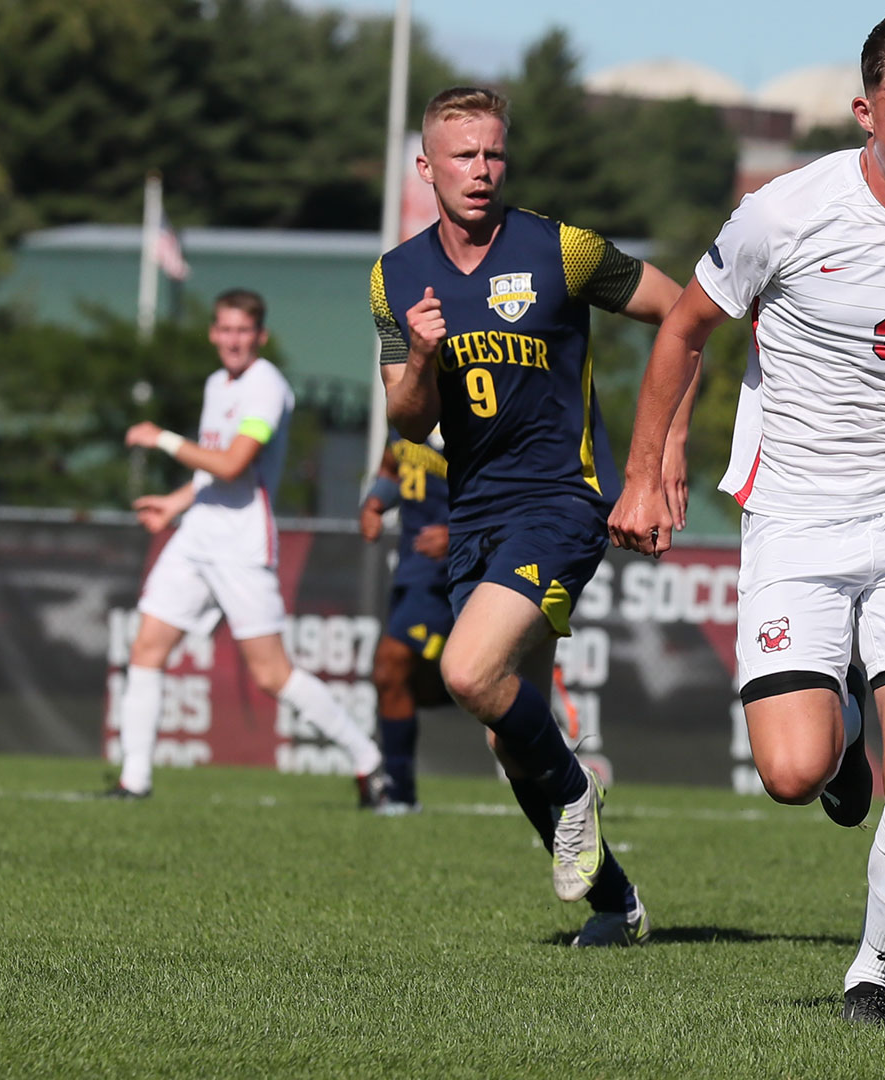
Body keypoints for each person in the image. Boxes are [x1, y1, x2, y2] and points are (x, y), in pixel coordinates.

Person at [606, 11, 885, 1023]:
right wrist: (645, 469)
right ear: (864, 112)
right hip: (796, 520)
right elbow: (685, 328)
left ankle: (871, 976)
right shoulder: (782, 213)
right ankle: (841, 742)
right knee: (794, 774)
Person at [372, 86, 686, 946]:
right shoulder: (391, 278)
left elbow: (683, 313)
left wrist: (659, 460)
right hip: (471, 513)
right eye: (463, 155)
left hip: (560, 506)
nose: (481, 170)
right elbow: (405, 421)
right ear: (426, 167)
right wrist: (422, 359)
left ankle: (579, 790)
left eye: (494, 153)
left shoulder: (564, 249)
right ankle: (616, 905)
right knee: (510, 737)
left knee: (469, 675)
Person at [110, 289, 386, 803]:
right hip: (196, 537)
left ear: (259, 336)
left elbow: (235, 464)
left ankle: (368, 760)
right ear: (214, 333)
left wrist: (161, 439)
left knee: (271, 673)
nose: (233, 340)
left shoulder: (267, 388)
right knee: (146, 649)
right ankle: (134, 779)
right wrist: (175, 503)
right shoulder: (218, 383)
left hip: (240, 545)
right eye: (225, 329)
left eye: (243, 331)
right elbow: (211, 468)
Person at [358, 431, 453, 814]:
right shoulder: (409, 415)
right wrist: (375, 504)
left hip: (462, 569)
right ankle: (398, 791)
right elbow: (391, 464)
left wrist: (459, 533)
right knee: (394, 674)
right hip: (414, 573)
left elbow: (513, 491)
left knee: (391, 665)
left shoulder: (478, 411)